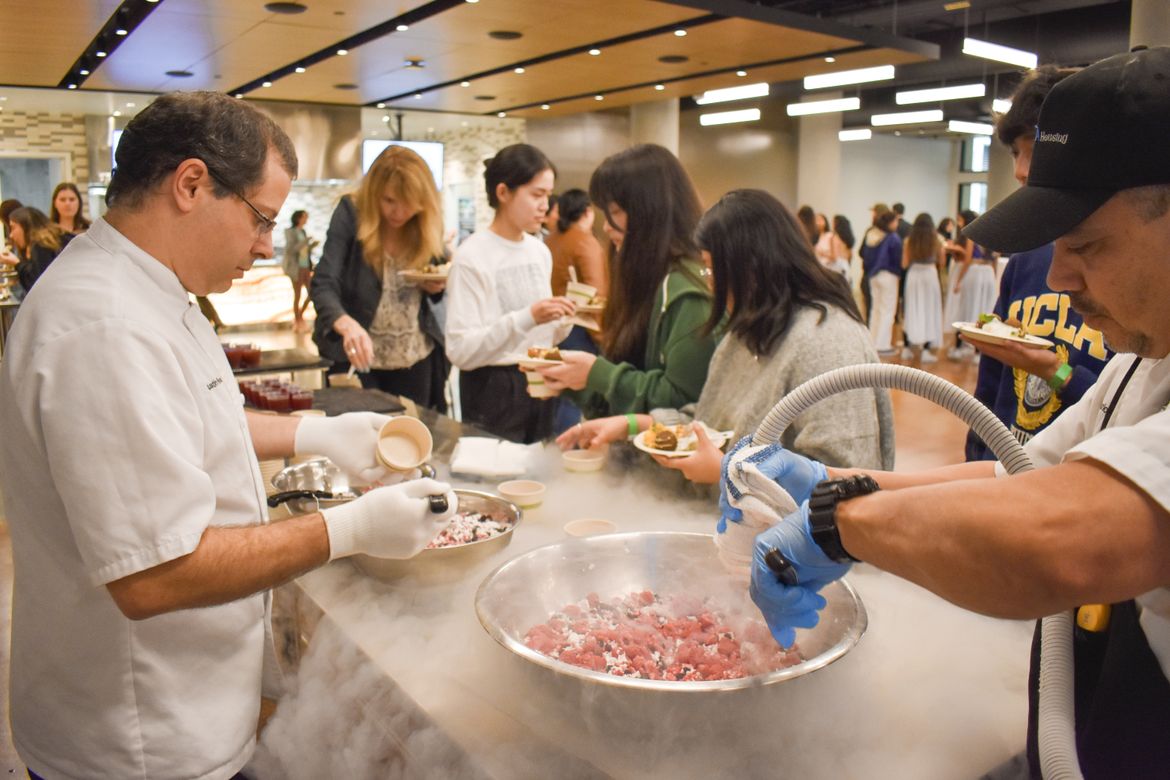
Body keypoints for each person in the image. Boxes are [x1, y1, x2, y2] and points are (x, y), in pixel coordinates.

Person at [726, 47, 1170, 779]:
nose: (1058, 277)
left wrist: (838, 527)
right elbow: (1015, 482)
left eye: (1087, 245)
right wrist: (824, 484)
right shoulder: (1138, 366)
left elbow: (1059, 538)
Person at [0, 90, 457, 780]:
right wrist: (350, 529)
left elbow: (191, 417)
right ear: (191, 184)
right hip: (140, 736)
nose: (266, 246)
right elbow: (156, 573)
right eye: (260, 220)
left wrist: (316, 433)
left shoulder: (150, 291)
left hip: (191, 699)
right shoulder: (103, 326)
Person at [557, 189, 893, 484]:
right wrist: (632, 425)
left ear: (752, 266)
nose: (710, 283)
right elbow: (710, 423)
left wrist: (723, 470)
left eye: (713, 268)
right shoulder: (750, 329)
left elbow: (844, 481)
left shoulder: (828, 341)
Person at [963, 65, 1112, 460]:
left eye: (1037, 147)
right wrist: (979, 456)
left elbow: (1128, 413)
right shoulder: (1025, 257)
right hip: (1009, 461)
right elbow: (993, 382)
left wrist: (1056, 372)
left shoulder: (1128, 276)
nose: (1020, 170)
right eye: (1015, 152)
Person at [537, 144, 716, 417]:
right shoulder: (647, 276)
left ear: (651, 212)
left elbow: (683, 401)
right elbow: (630, 375)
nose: (607, 226)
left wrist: (596, 373)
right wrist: (573, 380)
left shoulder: (686, 291)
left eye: (616, 211)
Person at [444, 143, 572, 443]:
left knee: (539, 478)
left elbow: (542, 335)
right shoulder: (471, 256)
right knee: (495, 482)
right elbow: (461, 350)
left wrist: (563, 320)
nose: (546, 205)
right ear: (503, 193)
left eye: (548, 195)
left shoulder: (539, 251)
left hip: (540, 378)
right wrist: (528, 317)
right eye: (536, 195)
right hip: (493, 388)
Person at [311, 145, 451, 410]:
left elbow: (437, 278)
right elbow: (324, 281)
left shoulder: (426, 225)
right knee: (358, 439)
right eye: (389, 201)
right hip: (358, 357)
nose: (398, 212)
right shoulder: (352, 213)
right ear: (374, 193)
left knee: (412, 440)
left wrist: (435, 287)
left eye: (408, 203)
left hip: (414, 354)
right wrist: (345, 323)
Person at [946, 209, 996, 360]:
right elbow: (994, 258)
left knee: (968, 308)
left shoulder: (972, 235)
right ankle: (978, 352)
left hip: (974, 272)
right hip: (988, 273)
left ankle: (960, 346)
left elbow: (967, 259)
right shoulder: (991, 235)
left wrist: (959, 280)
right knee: (984, 310)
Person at [900, 212, 945, 363]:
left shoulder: (909, 240)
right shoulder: (937, 240)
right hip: (930, 275)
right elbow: (942, 262)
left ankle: (907, 347)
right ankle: (926, 349)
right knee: (929, 311)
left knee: (911, 309)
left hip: (914, 275)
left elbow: (904, 264)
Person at [0, 206, 72, 293]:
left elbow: (36, 284)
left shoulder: (41, 244)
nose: (11, 235)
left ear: (25, 225)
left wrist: (16, 263)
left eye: (13, 228)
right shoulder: (53, 238)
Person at [859, 209, 902, 354]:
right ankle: (883, 345)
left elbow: (864, 255)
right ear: (890, 222)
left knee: (875, 309)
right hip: (888, 275)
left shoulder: (871, 235)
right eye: (895, 221)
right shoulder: (892, 238)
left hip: (872, 275)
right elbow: (897, 259)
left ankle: (872, 342)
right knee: (887, 310)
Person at [282, 209, 316, 332]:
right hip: (296, 268)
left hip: (306, 266)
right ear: (298, 218)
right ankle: (298, 321)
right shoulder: (290, 232)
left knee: (312, 292)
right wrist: (305, 241)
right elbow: (292, 250)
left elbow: (304, 251)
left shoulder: (303, 231)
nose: (306, 219)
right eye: (304, 217)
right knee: (297, 295)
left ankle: (300, 315)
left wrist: (311, 246)